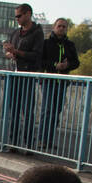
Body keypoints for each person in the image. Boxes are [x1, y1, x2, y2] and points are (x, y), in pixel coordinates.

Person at [2, 3, 44, 148]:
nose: (17, 19)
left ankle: (28, 144)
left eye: (19, 16)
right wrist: (9, 53)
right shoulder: (15, 33)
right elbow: (11, 53)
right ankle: (13, 142)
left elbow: (36, 55)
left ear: (28, 14)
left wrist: (16, 52)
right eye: (16, 16)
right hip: (14, 74)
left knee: (27, 111)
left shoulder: (37, 32)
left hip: (27, 75)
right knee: (13, 110)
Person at [38, 19, 80, 150]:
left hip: (62, 82)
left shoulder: (70, 45)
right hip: (49, 81)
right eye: (59, 26)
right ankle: (41, 139)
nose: (61, 28)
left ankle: (49, 140)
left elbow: (76, 62)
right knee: (47, 110)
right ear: (54, 27)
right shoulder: (46, 43)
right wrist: (55, 65)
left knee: (56, 111)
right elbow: (40, 60)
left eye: (64, 27)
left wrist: (67, 65)